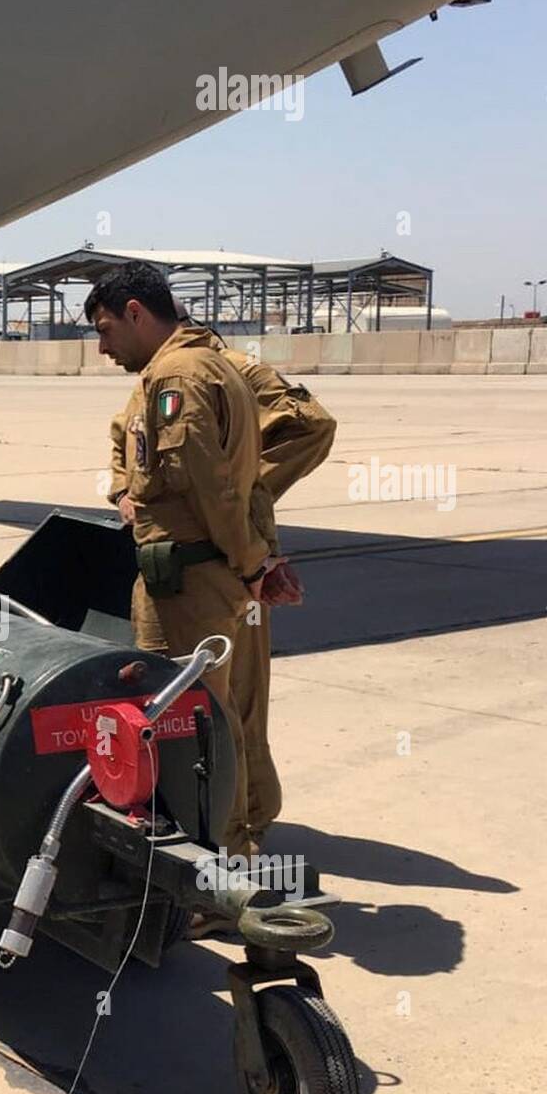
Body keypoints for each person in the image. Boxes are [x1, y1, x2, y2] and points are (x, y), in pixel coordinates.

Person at [89, 261, 273, 858]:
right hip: (197, 577)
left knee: (193, 730)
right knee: (210, 721)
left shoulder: (179, 379)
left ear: (136, 314)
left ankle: (219, 873)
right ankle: (225, 853)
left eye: (106, 329)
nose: (102, 347)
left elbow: (211, 488)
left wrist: (252, 564)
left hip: (191, 586)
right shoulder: (196, 367)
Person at [219, 344, 337, 848]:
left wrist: (247, 489)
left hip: (236, 560)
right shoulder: (167, 375)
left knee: (239, 698)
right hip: (204, 562)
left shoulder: (228, 369)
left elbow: (314, 423)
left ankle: (248, 815)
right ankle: (237, 811)